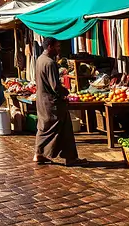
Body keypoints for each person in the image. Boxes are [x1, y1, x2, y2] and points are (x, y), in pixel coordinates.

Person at [33, 37, 87, 166]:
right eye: (57, 47)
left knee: (45, 127)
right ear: (50, 47)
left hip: (43, 101)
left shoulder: (40, 59)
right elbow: (55, 86)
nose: (59, 49)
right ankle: (69, 157)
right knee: (59, 129)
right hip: (52, 103)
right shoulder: (49, 63)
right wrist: (65, 93)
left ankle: (39, 154)